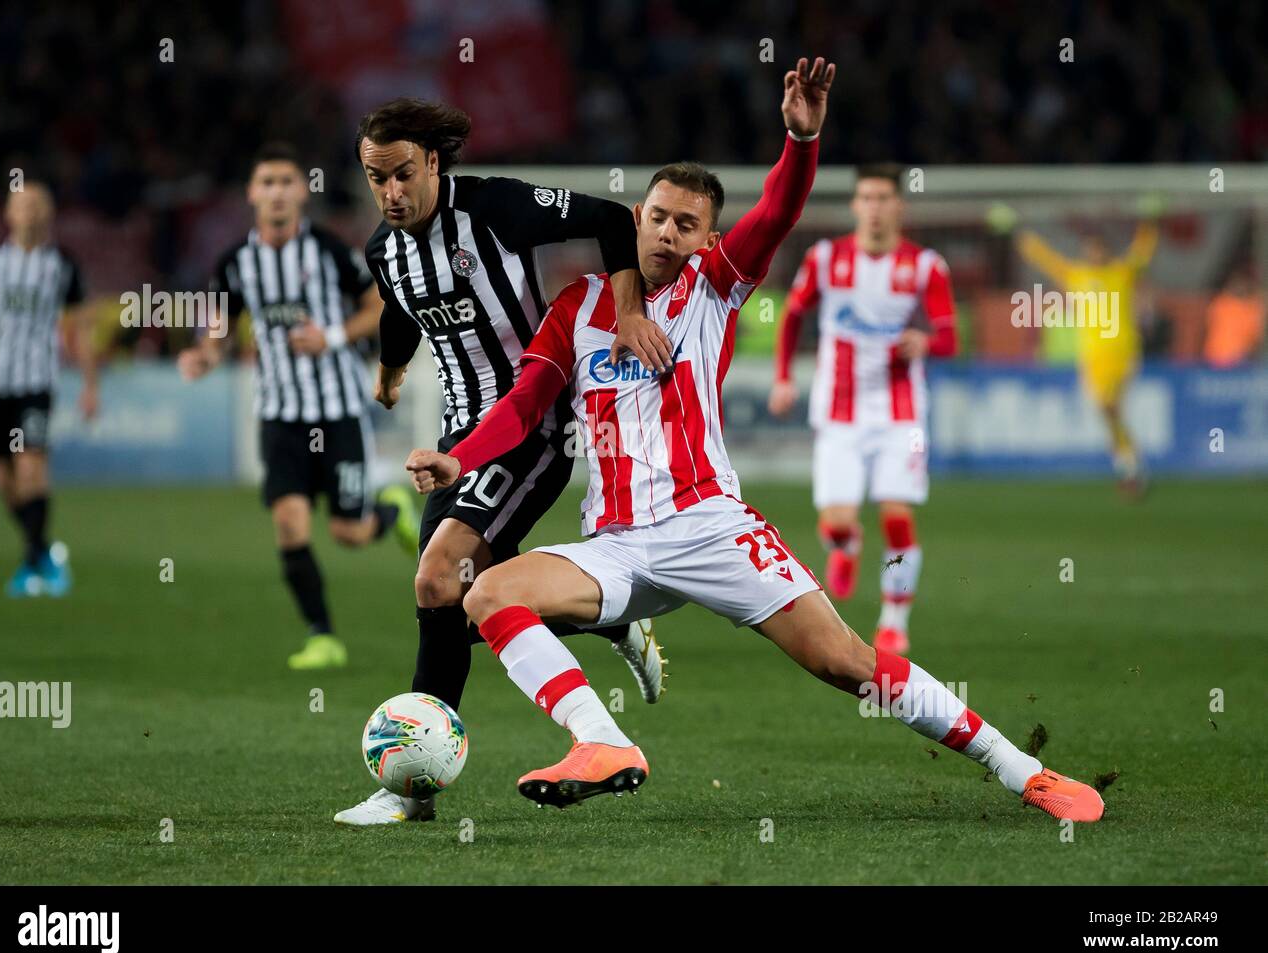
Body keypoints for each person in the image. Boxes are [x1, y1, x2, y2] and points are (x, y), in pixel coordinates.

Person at [407, 58, 1104, 823]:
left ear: (708, 237)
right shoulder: (581, 304)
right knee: (488, 590)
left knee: (843, 661)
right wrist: (459, 457)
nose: (668, 233)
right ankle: (602, 740)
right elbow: (525, 400)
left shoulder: (713, 286)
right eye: (658, 216)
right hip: (614, 542)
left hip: (709, 525)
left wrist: (800, 141)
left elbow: (776, 211)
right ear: (635, 216)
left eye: (687, 224)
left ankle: (1024, 770)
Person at [335, 98, 670, 826]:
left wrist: (630, 311)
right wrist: (391, 373)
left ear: (431, 162)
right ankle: (601, 618)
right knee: (456, 604)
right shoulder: (381, 251)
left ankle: (407, 790)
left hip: (529, 424)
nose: (390, 192)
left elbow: (614, 219)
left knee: (433, 577)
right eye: (374, 178)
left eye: (401, 174)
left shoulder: (496, 209)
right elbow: (398, 307)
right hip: (460, 442)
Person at [178, 143, 419, 670]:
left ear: (302, 192)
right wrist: (204, 354)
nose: (277, 192)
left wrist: (331, 335)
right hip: (279, 414)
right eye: (267, 182)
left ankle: (389, 509)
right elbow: (221, 327)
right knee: (289, 524)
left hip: (336, 412)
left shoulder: (330, 252)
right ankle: (322, 636)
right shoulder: (235, 264)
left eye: (287, 182)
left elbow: (377, 305)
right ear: (252, 194)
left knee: (349, 533)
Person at [769, 164, 957, 655]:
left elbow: (950, 338)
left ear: (900, 206)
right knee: (836, 522)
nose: (874, 208)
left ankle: (894, 619)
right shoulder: (826, 258)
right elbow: (791, 315)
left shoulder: (925, 265)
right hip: (838, 413)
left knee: (897, 517)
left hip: (901, 415)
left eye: (883, 198)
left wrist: (926, 343)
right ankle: (845, 544)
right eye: (866, 198)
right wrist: (784, 376)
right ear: (855, 205)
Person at [0, 182, 97, 596]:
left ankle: (31, 565)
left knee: (30, 466)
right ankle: (43, 552)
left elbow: (79, 330)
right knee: (3, 479)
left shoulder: (63, 265)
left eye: (38, 204)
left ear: (50, 213)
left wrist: (90, 385)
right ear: (7, 213)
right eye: (22, 204)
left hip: (37, 382)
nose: (30, 212)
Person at [1018, 221, 1157, 497]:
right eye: (1090, 250)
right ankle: (1129, 465)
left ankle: (1130, 466)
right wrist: (1020, 234)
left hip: (1123, 354)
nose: (1094, 254)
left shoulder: (1120, 273)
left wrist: (1149, 224)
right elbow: (1046, 259)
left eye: (1098, 250)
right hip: (1093, 359)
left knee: (1110, 408)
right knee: (1109, 415)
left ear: (1106, 251)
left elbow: (1142, 254)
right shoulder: (1076, 276)